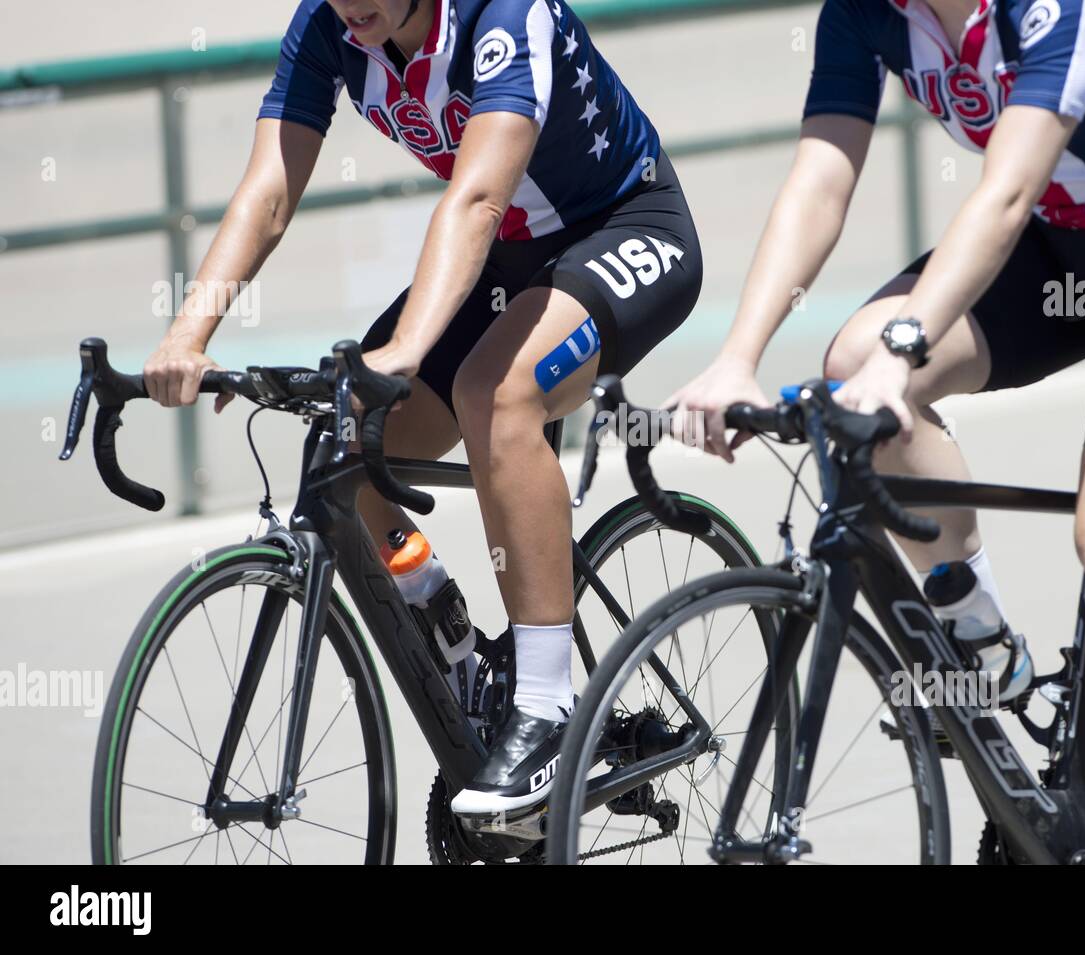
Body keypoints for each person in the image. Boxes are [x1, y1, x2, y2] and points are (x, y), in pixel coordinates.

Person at [670, 0, 1085, 864]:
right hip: (1057, 245)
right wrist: (739, 355)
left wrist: (907, 347)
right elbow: (821, 177)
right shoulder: (863, 14)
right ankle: (975, 625)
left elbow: (1006, 189)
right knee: (852, 365)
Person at [142, 0, 702, 816]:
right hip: (509, 253)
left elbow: (475, 199)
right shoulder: (331, 24)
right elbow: (269, 190)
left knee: (494, 392)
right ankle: (460, 649)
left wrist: (403, 354)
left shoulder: (503, 15)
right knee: (346, 444)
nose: (352, 4)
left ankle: (544, 711)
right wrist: (188, 333)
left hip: (623, 226)